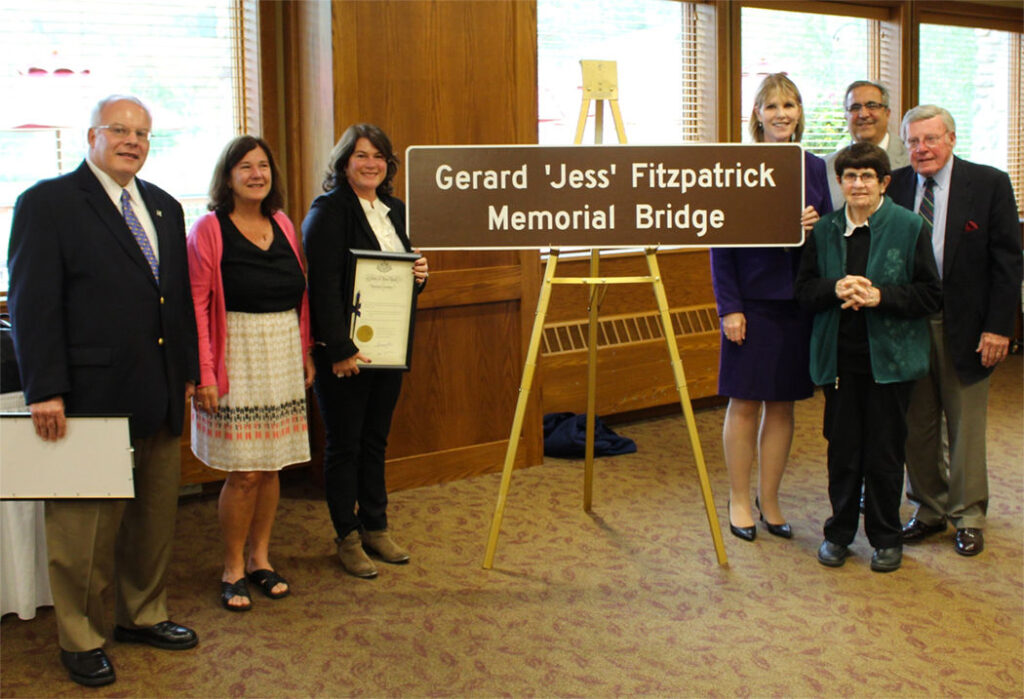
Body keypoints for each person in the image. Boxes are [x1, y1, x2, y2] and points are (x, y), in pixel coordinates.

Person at [6, 95, 200, 686]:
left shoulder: (164, 207)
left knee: (153, 520)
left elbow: (176, 301)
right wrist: (45, 389)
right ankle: (81, 636)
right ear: (92, 135)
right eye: (120, 129)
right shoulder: (48, 203)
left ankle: (142, 615)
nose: (132, 141)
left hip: (160, 393)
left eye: (142, 133)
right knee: (83, 530)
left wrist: (187, 375)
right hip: (87, 400)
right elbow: (32, 304)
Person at [796, 142, 941, 572]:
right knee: (842, 450)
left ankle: (885, 537)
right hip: (839, 360)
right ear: (840, 183)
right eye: (850, 177)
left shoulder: (910, 226)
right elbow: (803, 291)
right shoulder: (823, 231)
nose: (858, 184)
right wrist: (834, 288)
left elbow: (931, 295)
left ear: (884, 183)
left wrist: (881, 296)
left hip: (890, 362)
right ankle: (838, 533)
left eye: (866, 177)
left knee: (884, 451)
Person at [187, 135, 315, 611]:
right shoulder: (208, 229)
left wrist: (305, 351)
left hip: (281, 351)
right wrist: (204, 373)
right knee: (243, 472)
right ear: (228, 177)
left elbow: (299, 297)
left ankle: (261, 559)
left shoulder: (282, 222)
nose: (256, 174)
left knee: (271, 464)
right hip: (234, 356)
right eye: (245, 166)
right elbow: (197, 306)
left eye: (263, 165)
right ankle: (232, 566)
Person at [888, 105, 1022, 557]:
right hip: (908, 321)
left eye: (931, 138)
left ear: (951, 138)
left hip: (967, 324)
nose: (922, 149)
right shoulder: (897, 183)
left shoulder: (988, 183)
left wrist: (1000, 327)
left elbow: (1008, 263)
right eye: (913, 141)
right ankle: (928, 509)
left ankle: (967, 515)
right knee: (916, 423)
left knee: (965, 423)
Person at [302, 124, 429, 578]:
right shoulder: (329, 212)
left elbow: (400, 273)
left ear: (388, 164)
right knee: (345, 446)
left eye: (378, 156)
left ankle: (377, 526)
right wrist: (339, 349)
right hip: (345, 353)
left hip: (388, 348)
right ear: (343, 163)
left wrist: (420, 274)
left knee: (375, 441)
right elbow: (321, 287)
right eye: (360, 155)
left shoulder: (395, 210)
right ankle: (348, 537)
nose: (370, 163)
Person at [710, 73, 831, 542]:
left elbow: (829, 235)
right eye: (773, 105)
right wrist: (729, 308)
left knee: (783, 406)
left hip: (798, 303)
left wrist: (814, 225)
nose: (783, 113)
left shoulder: (815, 167)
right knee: (745, 404)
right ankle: (739, 499)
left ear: (800, 113)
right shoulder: (737, 165)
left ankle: (771, 498)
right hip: (751, 304)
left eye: (791, 105)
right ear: (757, 114)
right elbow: (720, 242)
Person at [823, 80, 910, 210]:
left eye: (872, 105)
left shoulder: (911, 161)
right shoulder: (825, 167)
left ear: (887, 113)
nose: (863, 114)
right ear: (846, 116)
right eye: (855, 107)